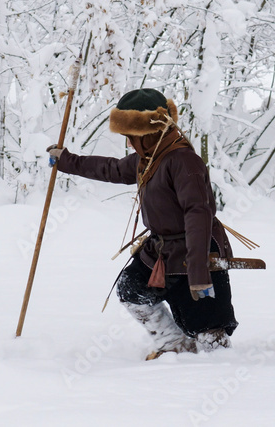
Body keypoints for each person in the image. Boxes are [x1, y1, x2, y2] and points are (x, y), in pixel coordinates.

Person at [47, 88, 238, 360]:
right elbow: (111, 169)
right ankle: (173, 343)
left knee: (209, 331)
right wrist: (67, 161)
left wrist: (199, 272)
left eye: (131, 137)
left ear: (148, 133)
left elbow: (198, 214)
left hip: (197, 251)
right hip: (162, 251)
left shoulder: (184, 162)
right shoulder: (147, 159)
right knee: (131, 289)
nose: (128, 144)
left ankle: (216, 369)